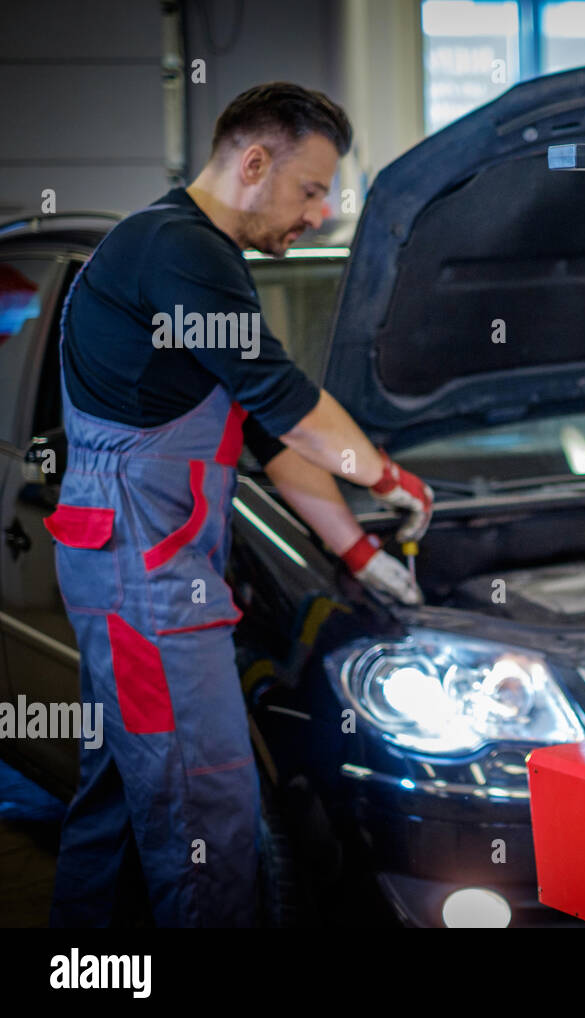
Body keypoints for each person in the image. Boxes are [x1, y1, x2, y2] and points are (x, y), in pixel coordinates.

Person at [44, 82, 433, 926]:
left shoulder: (183, 256)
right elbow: (288, 403)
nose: (323, 214)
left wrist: (361, 551)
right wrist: (389, 478)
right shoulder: (180, 249)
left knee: (117, 809)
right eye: (310, 189)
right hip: (150, 589)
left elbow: (265, 433)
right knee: (205, 818)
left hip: (132, 574)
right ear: (253, 164)